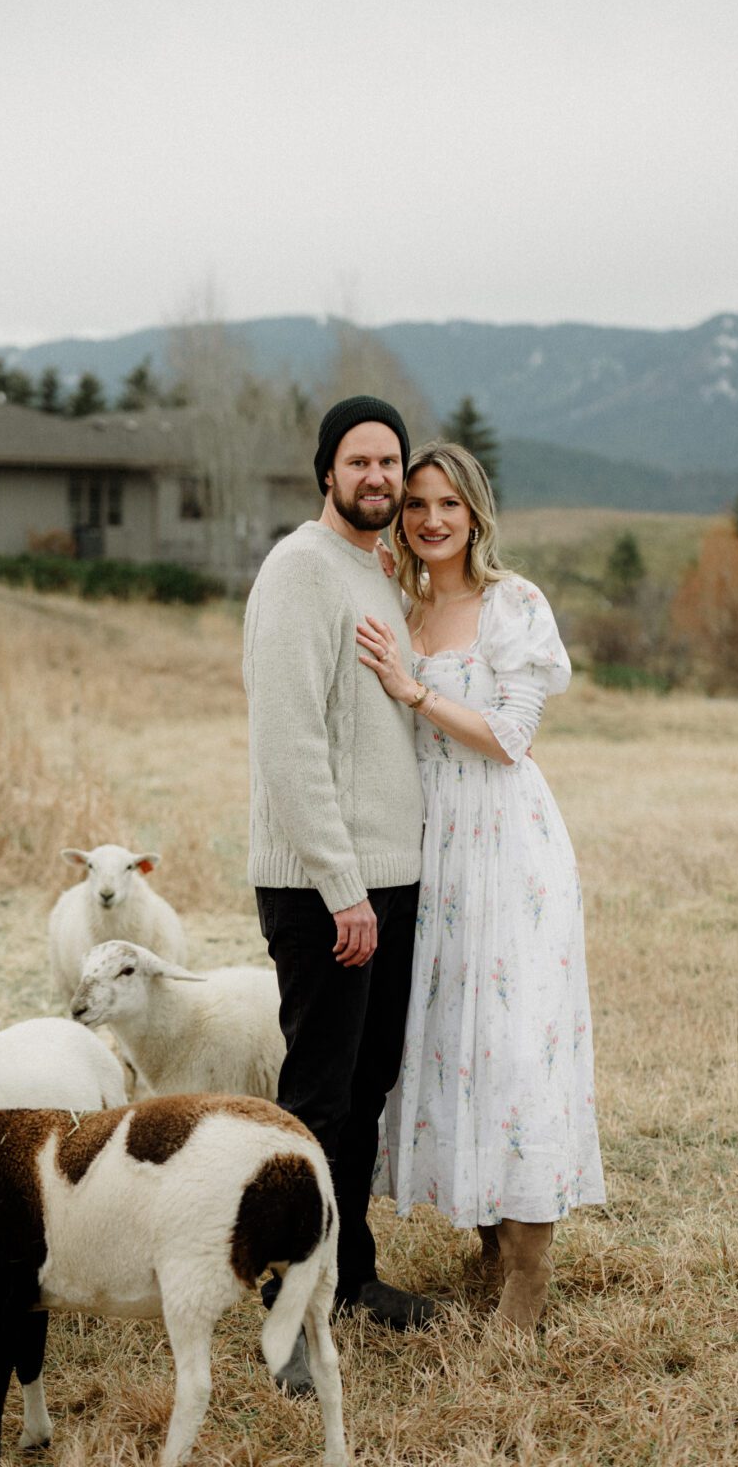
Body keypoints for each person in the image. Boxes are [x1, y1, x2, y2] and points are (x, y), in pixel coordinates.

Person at [358, 441, 605, 1331]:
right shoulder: (403, 604)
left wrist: (412, 692)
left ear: (476, 513)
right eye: (416, 503)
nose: (429, 519)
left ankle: (530, 1276)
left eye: (447, 506)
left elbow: (510, 736)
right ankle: (490, 1232)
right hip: (431, 850)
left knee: (512, 1045)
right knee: (451, 1035)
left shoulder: (514, 605)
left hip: (504, 843)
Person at [243, 395, 435, 1390]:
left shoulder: (371, 572)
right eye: (358, 461)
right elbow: (288, 742)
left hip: (386, 885)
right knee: (317, 1100)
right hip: (331, 890)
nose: (376, 478)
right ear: (326, 471)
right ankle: (286, 1321)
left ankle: (347, 1278)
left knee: (361, 1096)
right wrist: (341, 886)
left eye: (388, 462)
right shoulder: (299, 571)